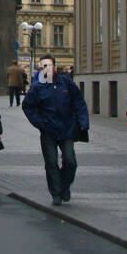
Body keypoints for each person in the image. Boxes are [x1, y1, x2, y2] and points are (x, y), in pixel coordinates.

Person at [22, 55, 89, 205]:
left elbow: (79, 101)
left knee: (70, 161)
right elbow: (28, 106)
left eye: (49, 65)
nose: (46, 69)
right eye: (43, 66)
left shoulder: (65, 82)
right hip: (48, 131)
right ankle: (56, 192)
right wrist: (40, 123)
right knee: (51, 163)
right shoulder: (37, 86)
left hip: (66, 129)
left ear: (55, 67)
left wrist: (83, 122)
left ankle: (64, 186)